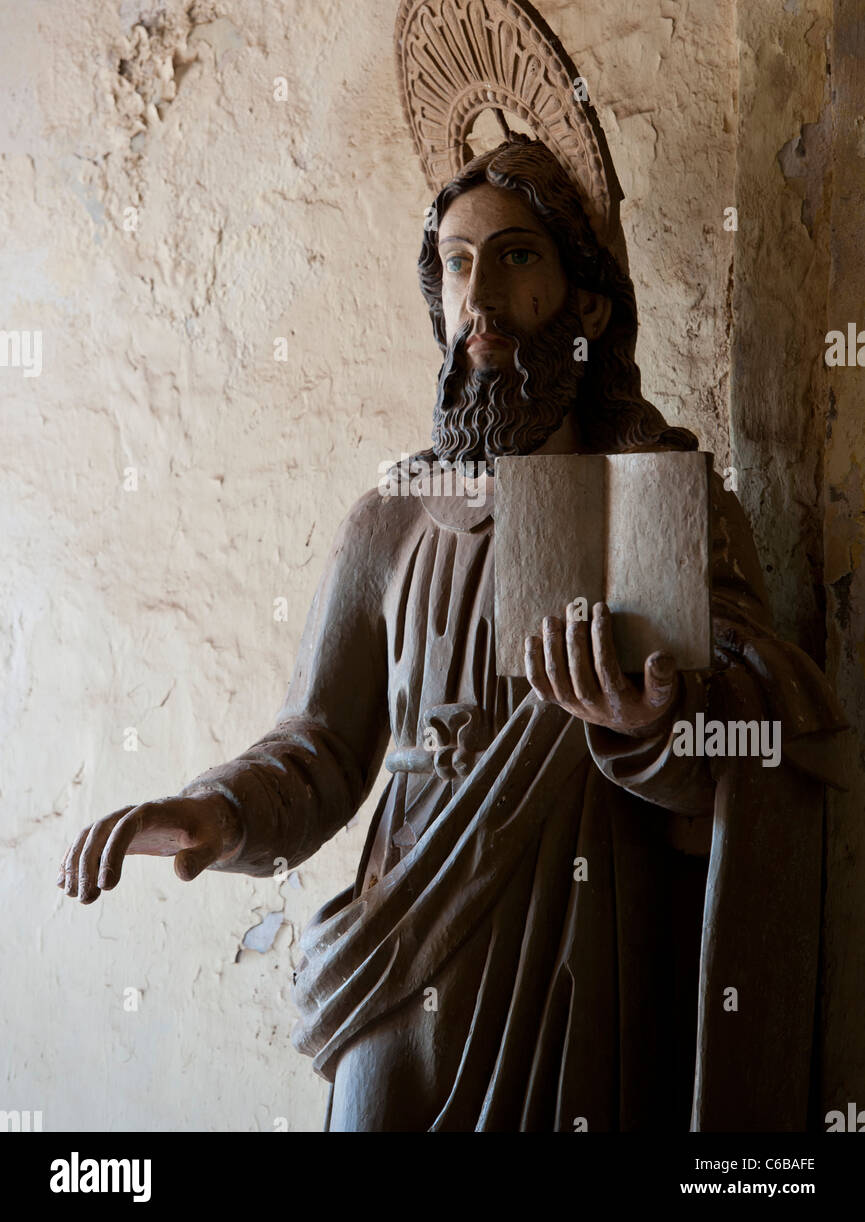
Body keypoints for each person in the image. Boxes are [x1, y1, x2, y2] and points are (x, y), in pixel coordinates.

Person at [60, 137, 851, 1131]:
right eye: (456, 263)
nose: (477, 298)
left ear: (588, 306)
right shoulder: (389, 519)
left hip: (586, 961)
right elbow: (316, 748)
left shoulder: (662, 503)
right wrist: (212, 813)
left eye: (515, 257)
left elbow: (762, 730)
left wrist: (652, 722)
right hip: (400, 960)